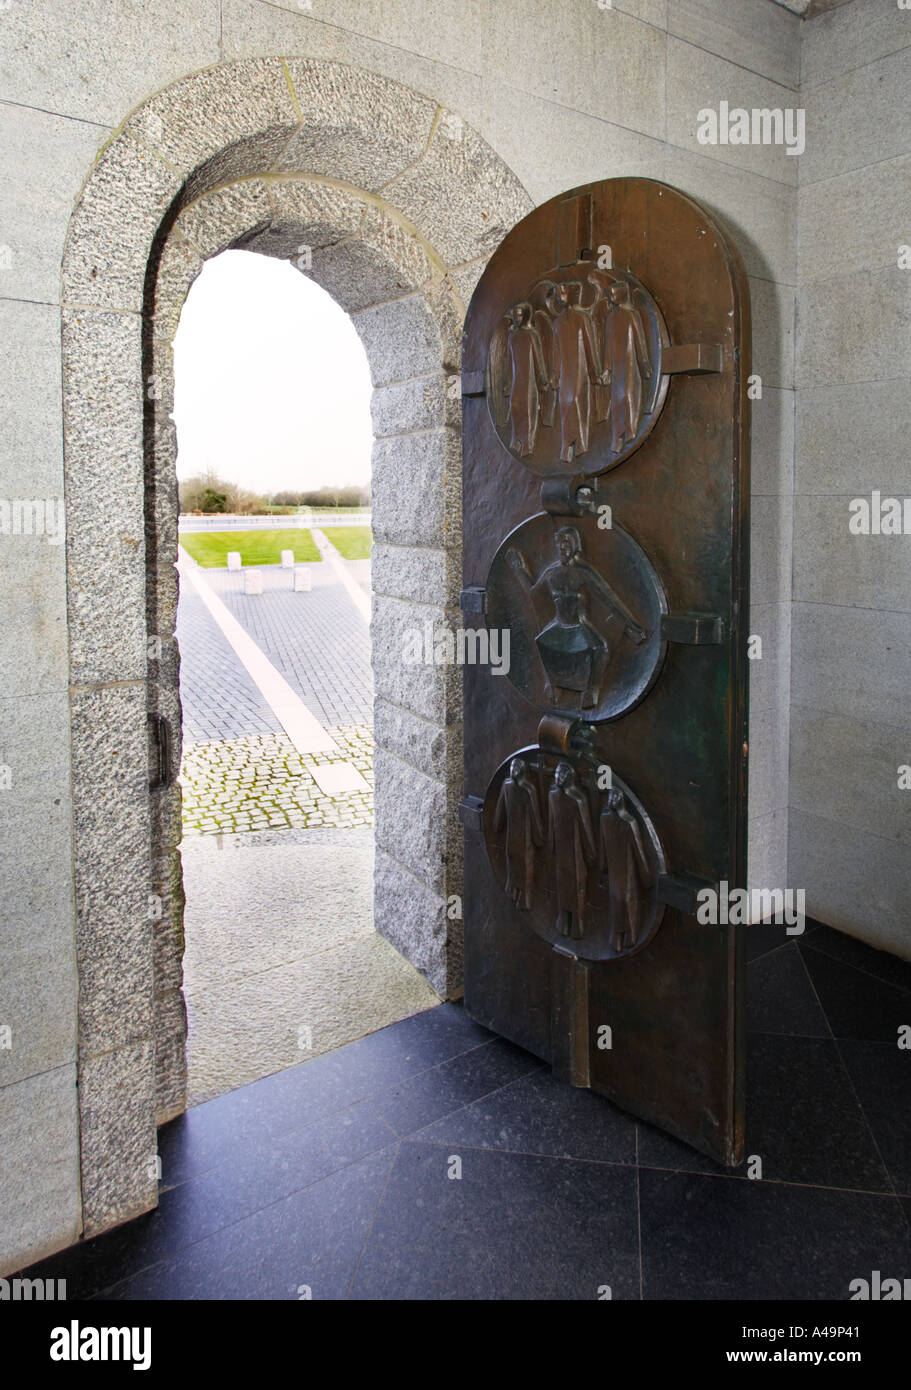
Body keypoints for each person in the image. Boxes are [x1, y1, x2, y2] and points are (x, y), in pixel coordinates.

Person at [599, 787, 654, 952]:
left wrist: (645, 877)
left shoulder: (628, 822)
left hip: (628, 868)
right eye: (610, 797)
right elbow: (603, 845)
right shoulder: (605, 819)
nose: (611, 801)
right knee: (616, 901)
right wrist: (603, 865)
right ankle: (616, 935)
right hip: (615, 868)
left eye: (615, 798)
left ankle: (630, 934)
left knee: (628, 901)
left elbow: (638, 851)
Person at [547, 761, 595, 940]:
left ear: (568, 777)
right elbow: (551, 822)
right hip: (561, 849)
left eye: (562, 774)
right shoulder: (553, 796)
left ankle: (577, 922)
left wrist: (591, 851)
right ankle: (564, 920)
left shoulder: (577, 800)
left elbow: (585, 827)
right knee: (563, 882)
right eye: (557, 774)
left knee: (576, 884)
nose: (558, 777)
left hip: (575, 850)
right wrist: (551, 843)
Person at [493, 756, 544, 909]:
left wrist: (537, 838)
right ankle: (514, 893)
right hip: (514, 836)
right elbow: (500, 811)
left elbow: (534, 815)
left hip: (524, 836)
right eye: (512, 767)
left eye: (516, 768)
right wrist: (497, 826)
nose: (513, 771)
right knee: (514, 862)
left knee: (524, 865)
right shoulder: (507, 786)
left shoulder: (528, 790)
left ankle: (524, 898)